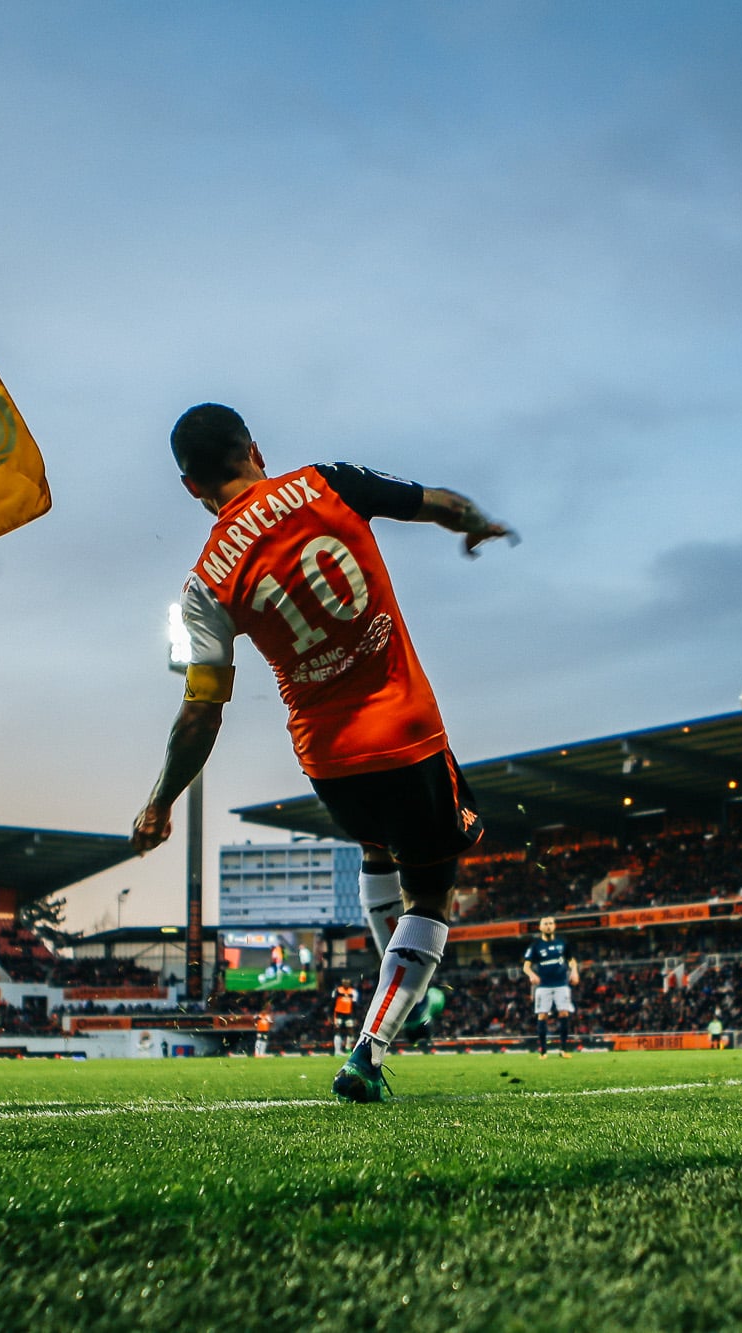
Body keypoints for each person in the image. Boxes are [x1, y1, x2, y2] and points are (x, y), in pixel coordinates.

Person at [129, 403, 513, 1104]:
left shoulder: (205, 584)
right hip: (407, 735)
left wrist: (161, 799)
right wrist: (476, 522)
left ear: (190, 488)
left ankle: (404, 995)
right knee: (430, 892)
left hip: (329, 761)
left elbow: (200, 713)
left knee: (376, 850)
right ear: (254, 448)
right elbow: (439, 503)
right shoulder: (326, 483)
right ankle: (370, 1050)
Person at [522, 916, 579, 1059]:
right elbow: (526, 966)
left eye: (551, 923)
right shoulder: (535, 945)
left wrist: (574, 971)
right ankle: (543, 1051)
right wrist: (531, 974)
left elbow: (571, 960)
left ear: (555, 926)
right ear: (540, 927)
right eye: (545, 924)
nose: (548, 926)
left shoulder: (562, 942)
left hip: (561, 984)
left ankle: (563, 1050)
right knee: (542, 1015)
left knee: (564, 1013)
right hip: (544, 985)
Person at [331, 980, 359, 1057]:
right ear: (342, 982)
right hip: (338, 1013)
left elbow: (355, 1005)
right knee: (337, 1030)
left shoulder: (353, 992)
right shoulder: (337, 990)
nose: (346, 982)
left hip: (349, 1014)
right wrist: (331, 1015)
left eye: (347, 981)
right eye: (344, 980)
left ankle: (348, 1049)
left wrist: (355, 1017)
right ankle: (337, 1051)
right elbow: (332, 1003)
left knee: (350, 1031)